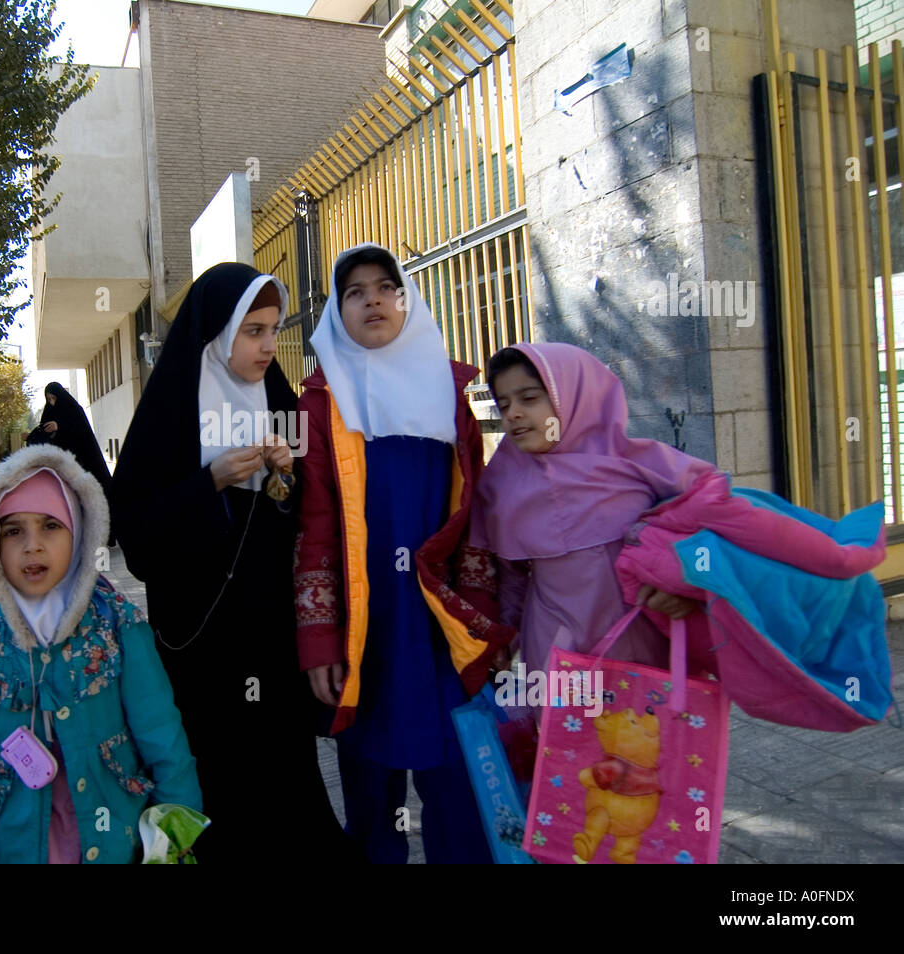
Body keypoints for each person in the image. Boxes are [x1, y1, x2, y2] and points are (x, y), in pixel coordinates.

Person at [111, 262, 352, 863]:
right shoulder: (168, 412)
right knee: (212, 769)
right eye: (252, 331)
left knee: (282, 769)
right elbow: (136, 534)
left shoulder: (280, 401)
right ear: (217, 333)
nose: (269, 346)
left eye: (273, 329)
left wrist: (286, 477)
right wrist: (210, 481)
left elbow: (305, 519)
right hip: (202, 645)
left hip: (269, 633)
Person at [295, 243, 515, 864]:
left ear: (406, 298)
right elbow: (315, 529)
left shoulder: (447, 390)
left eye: (385, 286)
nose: (372, 300)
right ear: (338, 311)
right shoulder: (322, 401)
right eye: (354, 291)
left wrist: (477, 617)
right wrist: (319, 640)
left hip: (438, 619)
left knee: (457, 775)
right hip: (368, 625)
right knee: (370, 785)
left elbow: (476, 515)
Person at [0, 444, 201, 863]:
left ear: (80, 533)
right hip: (12, 842)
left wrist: (173, 840)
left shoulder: (116, 623)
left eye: (50, 526)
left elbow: (161, 733)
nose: (32, 546)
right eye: (13, 530)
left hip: (112, 837)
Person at [471, 342, 710, 687]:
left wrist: (689, 584)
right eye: (504, 404)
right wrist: (503, 637)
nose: (513, 414)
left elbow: (713, 527)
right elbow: (512, 579)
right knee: (573, 741)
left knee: (650, 737)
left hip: (650, 649)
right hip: (560, 657)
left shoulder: (642, 466)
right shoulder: (501, 488)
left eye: (529, 398)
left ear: (574, 395)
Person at [27, 382, 115, 546]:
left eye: (54, 398)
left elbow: (80, 432)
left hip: (84, 463)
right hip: (63, 467)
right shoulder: (49, 413)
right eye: (49, 399)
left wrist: (59, 426)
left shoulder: (74, 410)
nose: (52, 402)